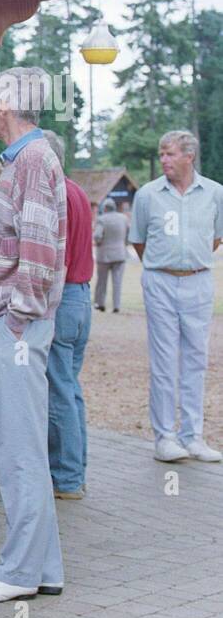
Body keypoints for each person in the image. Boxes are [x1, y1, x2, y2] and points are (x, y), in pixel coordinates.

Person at [0, 67, 67, 603]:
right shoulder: (29, 158)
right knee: (23, 447)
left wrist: (17, 317)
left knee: (18, 449)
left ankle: (17, 573)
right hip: (17, 322)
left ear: (6, 104)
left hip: (17, 325)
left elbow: (40, 247)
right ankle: (43, 566)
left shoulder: (31, 159)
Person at [129, 130, 223, 463]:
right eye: (161, 153)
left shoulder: (215, 193)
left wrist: (189, 262)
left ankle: (193, 436)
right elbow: (138, 241)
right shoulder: (148, 195)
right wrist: (165, 266)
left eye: (169, 154)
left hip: (198, 281)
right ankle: (165, 437)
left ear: (189, 156)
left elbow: (215, 238)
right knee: (165, 361)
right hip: (160, 282)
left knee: (197, 358)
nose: (164, 160)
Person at [42, 130, 94, 500]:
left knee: (59, 390)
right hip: (80, 298)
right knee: (70, 389)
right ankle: (76, 470)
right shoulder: (76, 190)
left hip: (61, 299)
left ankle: (66, 477)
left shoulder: (54, 194)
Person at [93, 197, 129, 312]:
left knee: (101, 282)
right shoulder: (123, 218)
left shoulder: (101, 219)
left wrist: (99, 243)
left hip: (104, 255)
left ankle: (100, 303)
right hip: (120, 253)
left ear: (105, 208)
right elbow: (128, 234)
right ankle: (116, 306)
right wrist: (124, 244)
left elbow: (97, 236)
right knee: (117, 282)